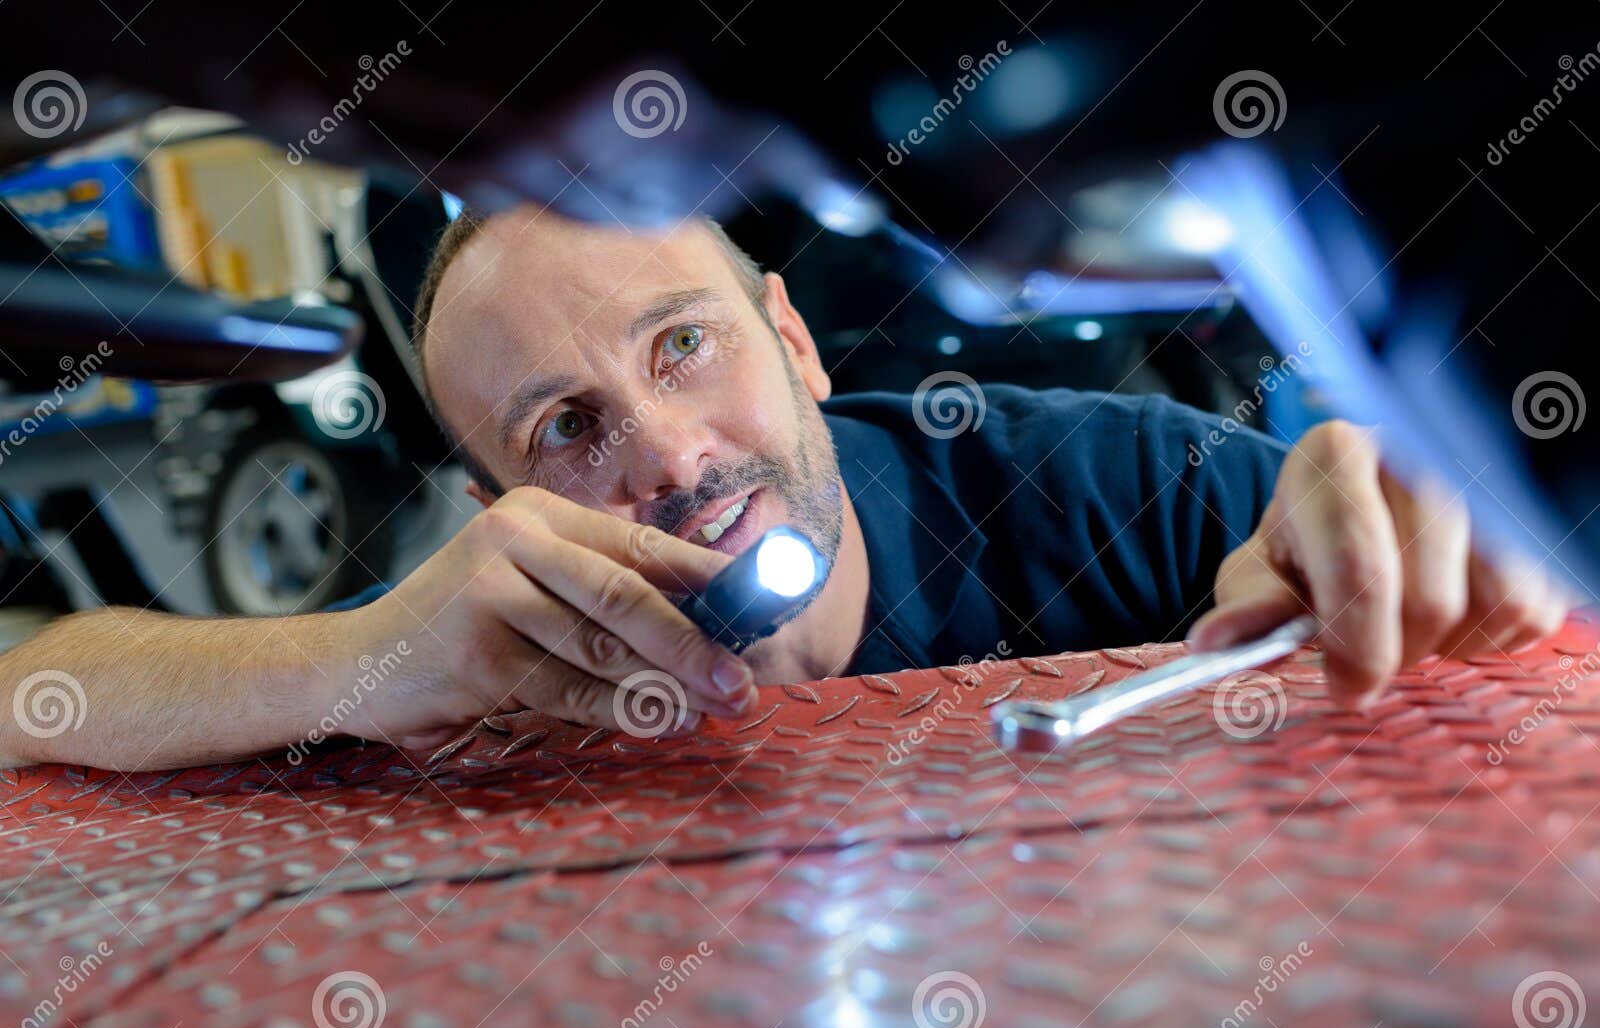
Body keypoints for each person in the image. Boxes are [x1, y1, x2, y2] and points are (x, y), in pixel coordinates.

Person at [0, 208, 1568, 771]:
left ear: (796, 338)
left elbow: (1451, 575)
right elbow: (35, 687)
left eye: (684, 344)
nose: (672, 459)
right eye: (565, 430)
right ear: (501, 507)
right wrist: (359, 660)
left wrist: (1448, 523)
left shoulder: (1102, 480)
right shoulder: (499, 638)